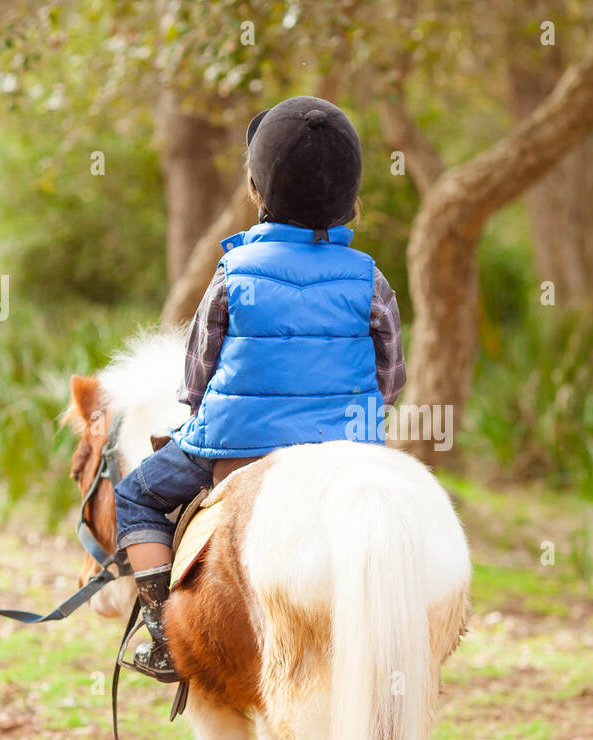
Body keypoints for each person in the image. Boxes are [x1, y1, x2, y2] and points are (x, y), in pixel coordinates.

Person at [113, 96, 406, 682]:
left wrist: (194, 418)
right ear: (352, 199)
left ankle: (162, 636)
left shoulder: (233, 272)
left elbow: (196, 376)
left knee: (135, 496)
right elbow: (391, 376)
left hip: (234, 444)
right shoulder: (369, 277)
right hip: (343, 448)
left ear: (256, 189)